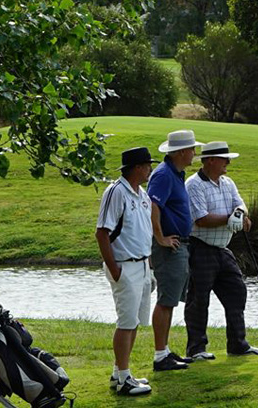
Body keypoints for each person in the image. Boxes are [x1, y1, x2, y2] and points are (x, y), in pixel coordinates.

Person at [183, 140, 258, 359]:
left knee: (237, 292)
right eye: (223, 159)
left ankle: (238, 344)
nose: (228, 162)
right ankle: (196, 349)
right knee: (200, 300)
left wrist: (241, 214)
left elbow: (240, 204)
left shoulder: (227, 182)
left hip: (222, 249)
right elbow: (201, 219)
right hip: (200, 248)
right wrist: (231, 219)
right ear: (209, 161)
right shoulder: (194, 185)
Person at [96, 146, 157, 395]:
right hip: (125, 266)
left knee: (134, 322)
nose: (150, 170)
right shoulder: (116, 192)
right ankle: (123, 379)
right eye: (147, 166)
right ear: (137, 168)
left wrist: (150, 268)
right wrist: (115, 269)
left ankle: (120, 372)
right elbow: (102, 232)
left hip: (142, 265)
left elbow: (145, 233)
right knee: (126, 322)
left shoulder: (142, 194)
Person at [146, 130, 202, 372]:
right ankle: (160, 355)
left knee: (171, 301)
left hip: (180, 244)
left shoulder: (176, 174)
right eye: (191, 149)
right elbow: (152, 207)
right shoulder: (164, 175)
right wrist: (160, 239)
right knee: (166, 300)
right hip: (171, 246)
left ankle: (165, 351)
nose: (194, 153)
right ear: (180, 152)